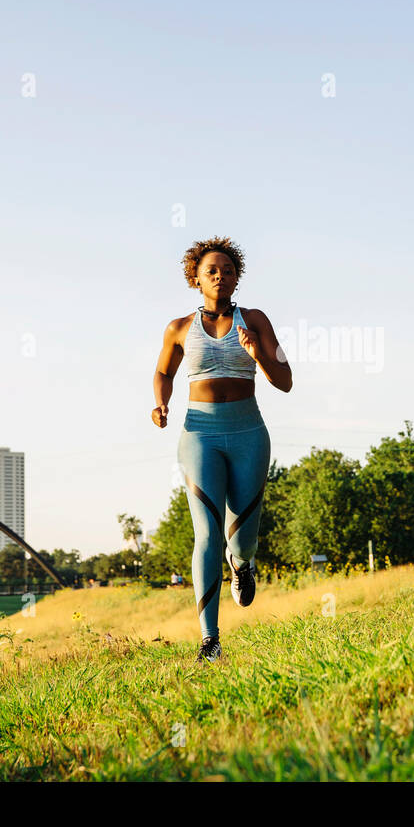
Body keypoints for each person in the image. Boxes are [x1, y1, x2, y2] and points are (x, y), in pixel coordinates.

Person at [151, 238, 293, 663]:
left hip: (249, 432)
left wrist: (258, 356)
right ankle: (209, 640)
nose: (220, 275)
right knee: (207, 533)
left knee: (243, 540)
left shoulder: (257, 320)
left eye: (228, 269)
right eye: (211, 270)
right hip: (199, 435)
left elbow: (285, 379)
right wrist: (161, 402)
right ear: (195, 277)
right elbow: (162, 370)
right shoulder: (178, 328)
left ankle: (243, 564)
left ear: (237, 277)